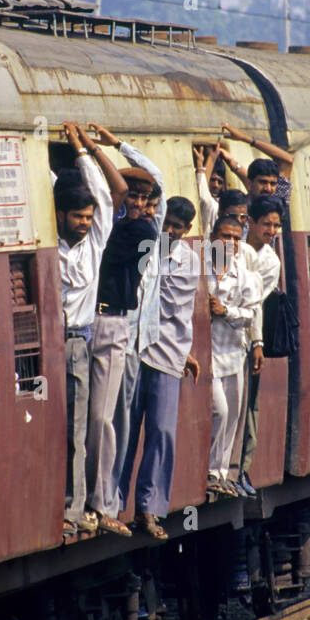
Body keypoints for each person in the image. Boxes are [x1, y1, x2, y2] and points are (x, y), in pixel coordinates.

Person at [83, 125, 161, 538]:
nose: (137, 203)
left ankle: (104, 502)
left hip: (113, 323)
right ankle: (86, 500)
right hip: (84, 323)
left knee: (104, 416)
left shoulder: (140, 232)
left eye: (143, 198)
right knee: (86, 416)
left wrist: (99, 147)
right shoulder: (107, 224)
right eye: (131, 196)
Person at [116, 197, 201, 537]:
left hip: (166, 354)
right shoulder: (143, 246)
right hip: (134, 351)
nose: (168, 231)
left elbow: (162, 305)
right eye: (166, 223)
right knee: (125, 427)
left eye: (176, 228)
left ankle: (149, 509)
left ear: (187, 231)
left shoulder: (189, 262)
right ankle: (112, 502)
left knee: (161, 432)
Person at [56, 122, 121, 539]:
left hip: (79, 342)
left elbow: (105, 198)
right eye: (77, 216)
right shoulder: (54, 246)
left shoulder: (94, 244)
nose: (84, 222)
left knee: (77, 432)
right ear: (60, 214)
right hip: (48, 344)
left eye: (87, 217)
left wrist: (83, 152)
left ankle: (75, 509)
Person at [207, 215, 261, 495]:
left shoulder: (246, 275)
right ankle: (209, 469)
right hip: (208, 354)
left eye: (235, 238)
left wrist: (225, 311)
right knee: (220, 410)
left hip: (234, 351)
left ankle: (220, 471)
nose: (229, 243)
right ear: (213, 236)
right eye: (224, 236)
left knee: (233, 415)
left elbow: (251, 314)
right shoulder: (200, 269)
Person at [235, 193, 284, 495]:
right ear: (249, 222)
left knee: (248, 408)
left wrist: (257, 342)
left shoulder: (270, 261)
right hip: (227, 336)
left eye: (276, 226)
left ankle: (241, 469)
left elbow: (255, 305)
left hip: (247, 337)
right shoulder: (231, 246)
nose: (272, 231)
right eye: (266, 224)